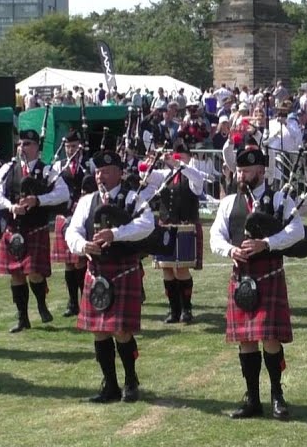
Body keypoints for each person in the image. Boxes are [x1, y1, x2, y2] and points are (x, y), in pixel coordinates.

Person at [208, 143, 305, 420]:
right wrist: (230, 250)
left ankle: (277, 396)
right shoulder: (229, 203)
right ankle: (252, 399)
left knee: (270, 338)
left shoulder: (279, 200)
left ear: (261, 171)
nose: (241, 175)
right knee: (246, 340)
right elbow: (216, 236)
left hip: (269, 274)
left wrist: (267, 243)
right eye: (239, 170)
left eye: (247, 170)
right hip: (242, 278)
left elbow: (297, 231)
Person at [66, 149, 159, 403]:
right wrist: (82, 245)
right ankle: (110, 385)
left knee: (121, 331)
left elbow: (146, 225)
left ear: (119, 173)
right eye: (97, 171)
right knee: (99, 331)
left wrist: (114, 234)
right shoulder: (87, 201)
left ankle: (130, 380)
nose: (100, 176)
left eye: (106, 171)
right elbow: (71, 231)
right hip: (96, 271)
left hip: (122, 270)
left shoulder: (133, 198)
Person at [0, 130, 70, 332]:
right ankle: (22, 317)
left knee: (34, 273)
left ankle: (41, 303)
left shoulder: (47, 170)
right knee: (16, 274)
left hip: (35, 228)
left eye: (27, 144)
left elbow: (63, 194)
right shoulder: (8, 168)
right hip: (13, 228)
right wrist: (10, 206)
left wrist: (39, 200)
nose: (22, 148)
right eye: (20, 144)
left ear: (36, 148)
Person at [146, 141, 206, 324]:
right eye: (175, 154)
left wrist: (179, 164)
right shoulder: (165, 175)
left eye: (182, 155)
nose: (177, 157)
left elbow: (197, 179)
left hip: (184, 228)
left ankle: (186, 309)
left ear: (189, 157)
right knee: (166, 269)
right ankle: (174, 310)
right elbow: (146, 177)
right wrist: (151, 160)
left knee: (181, 269)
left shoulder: (194, 176)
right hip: (166, 227)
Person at [49, 132, 91, 317]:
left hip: (82, 217)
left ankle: (85, 300)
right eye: (67, 146)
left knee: (80, 261)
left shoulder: (89, 164)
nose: (70, 149)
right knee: (68, 263)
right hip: (65, 216)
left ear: (80, 146)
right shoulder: (58, 166)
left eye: (73, 146)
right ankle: (72, 302)